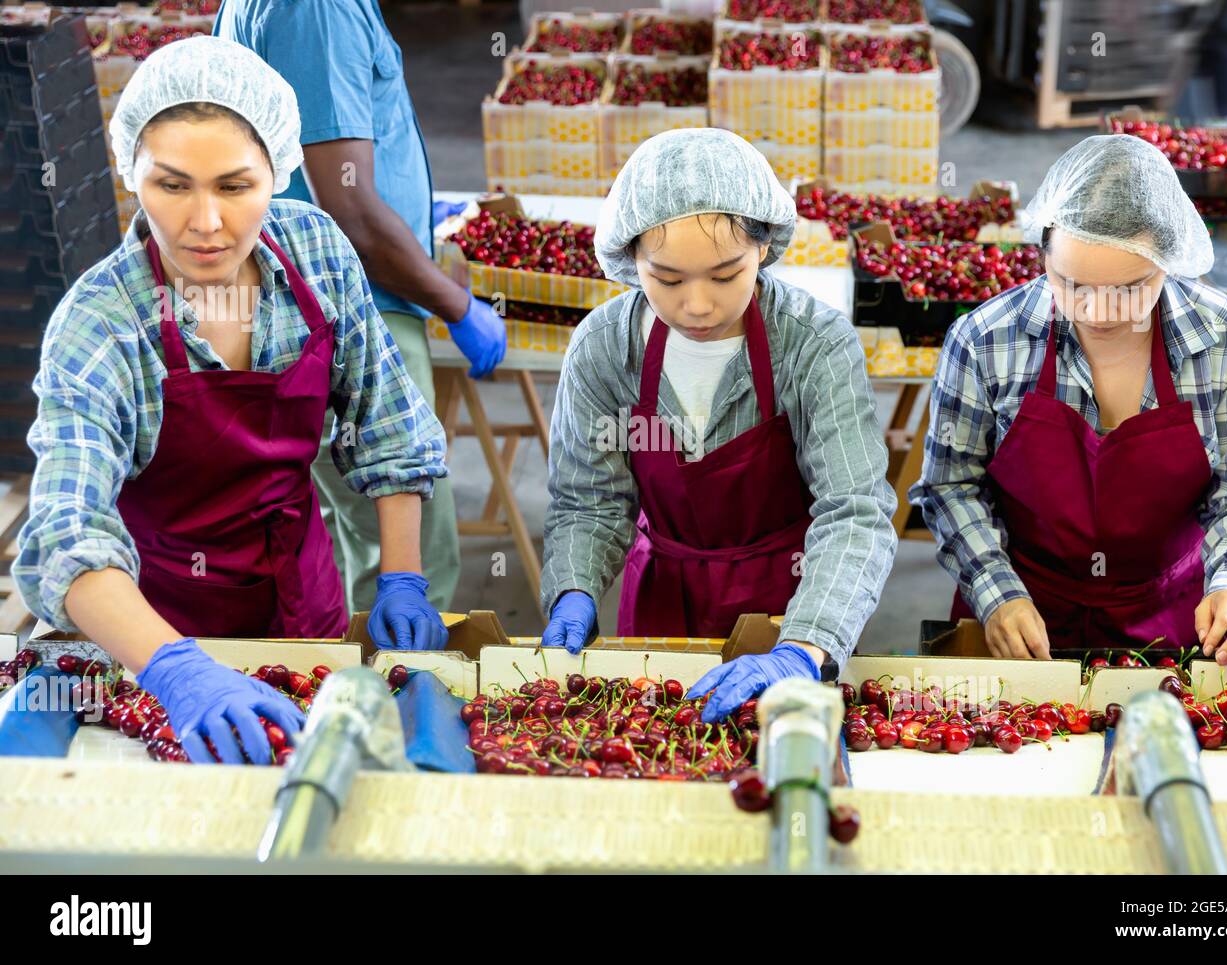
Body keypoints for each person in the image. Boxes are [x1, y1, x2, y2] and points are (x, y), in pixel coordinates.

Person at [14, 36, 449, 764]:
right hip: (150, 632)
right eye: (172, 185)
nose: (205, 222)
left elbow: (387, 424)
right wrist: (176, 671)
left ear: (277, 173)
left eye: (235, 186)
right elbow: (66, 532)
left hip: (304, 604)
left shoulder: (317, 253)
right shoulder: (101, 325)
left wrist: (402, 575)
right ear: (132, 173)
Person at [539, 129, 898, 721]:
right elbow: (589, 503)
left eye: (726, 275)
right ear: (631, 261)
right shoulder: (605, 349)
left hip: (790, 605)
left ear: (765, 246)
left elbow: (854, 510)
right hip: (661, 604)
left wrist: (803, 649)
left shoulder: (812, 347)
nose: (698, 305)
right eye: (669, 280)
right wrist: (573, 591)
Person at [911, 134, 1227, 665]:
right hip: (1024, 620)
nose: (1099, 312)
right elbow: (951, 485)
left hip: (1178, 619)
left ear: (1170, 259)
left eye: (1132, 286)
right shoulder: (984, 342)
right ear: (1042, 253)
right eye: (1072, 284)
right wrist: (995, 591)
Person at [215, 0, 508, 616]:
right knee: (405, 552)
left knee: (351, 541)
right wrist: (457, 305)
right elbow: (347, 211)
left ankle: (362, 687)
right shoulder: (317, 11)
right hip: (352, 316)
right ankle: (410, 697)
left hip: (308, 309)